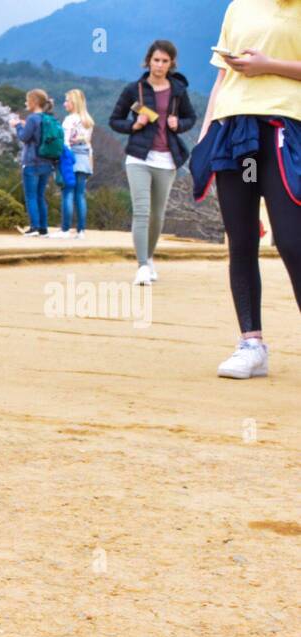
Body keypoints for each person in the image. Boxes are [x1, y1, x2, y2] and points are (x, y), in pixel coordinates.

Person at [194, 0, 301, 380]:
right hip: (233, 129)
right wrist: (207, 134)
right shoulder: (238, 6)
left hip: (285, 128)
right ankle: (251, 344)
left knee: (291, 239)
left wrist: (268, 65)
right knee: (240, 239)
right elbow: (223, 76)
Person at [109, 40, 197, 285]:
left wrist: (178, 124)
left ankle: (148, 258)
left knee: (157, 215)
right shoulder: (133, 89)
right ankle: (141, 267)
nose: (159, 65)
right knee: (142, 211)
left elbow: (191, 117)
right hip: (138, 158)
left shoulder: (178, 90)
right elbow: (115, 120)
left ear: (171, 64)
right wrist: (133, 125)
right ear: (148, 61)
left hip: (167, 159)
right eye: (156, 60)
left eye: (164, 61)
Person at [8, 89, 55, 237]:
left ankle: (34, 227)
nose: (25, 103)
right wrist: (24, 124)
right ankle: (43, 228)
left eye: (27, 100)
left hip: (32, 162)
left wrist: (17, 125)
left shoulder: (33, 118)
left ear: (34, 102)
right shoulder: (46, 118)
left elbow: (24, 137)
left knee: (31, 196)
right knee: (40, 196)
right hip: (46, 163)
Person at [55, 89, 94, 239]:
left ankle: (65, 229)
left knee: (67, 194)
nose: (65, 104)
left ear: (73, 103)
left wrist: (63, 160)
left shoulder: (69, 120)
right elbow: (89, 144)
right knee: (80, 195)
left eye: (67, 101)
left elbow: (65, 142)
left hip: (71, 158)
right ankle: (81, 230)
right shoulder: (88, 121)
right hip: (84, 159)